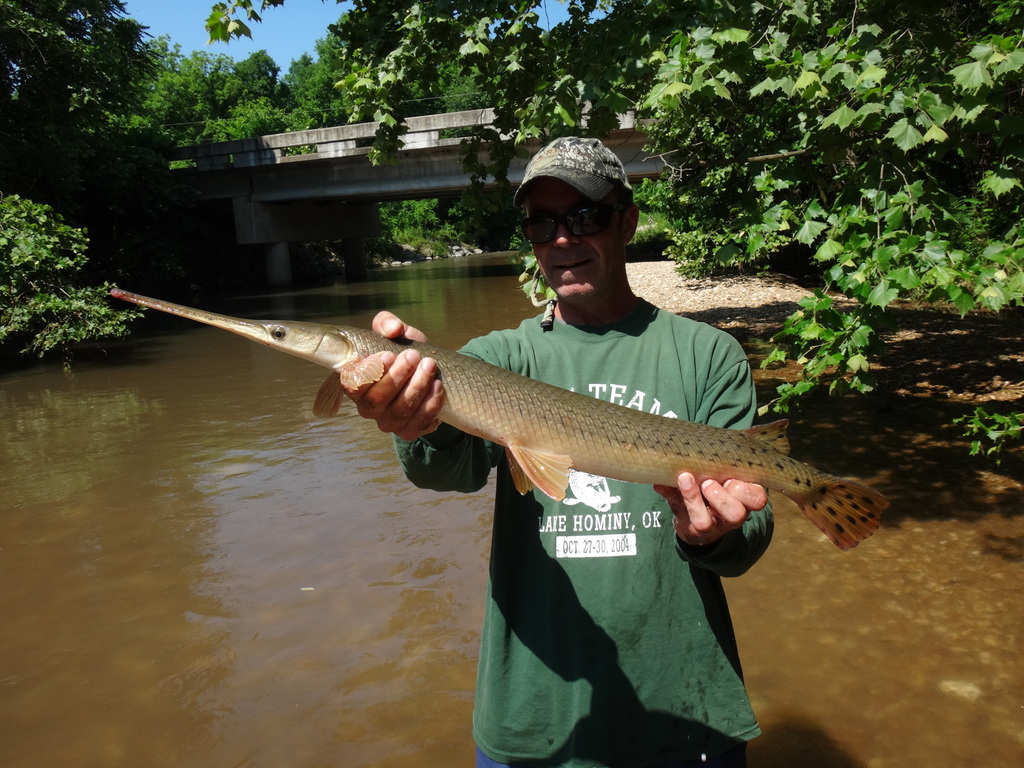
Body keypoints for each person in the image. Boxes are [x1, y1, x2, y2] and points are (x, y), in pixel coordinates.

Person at [342, 137, 774, 768]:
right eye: (543, 223)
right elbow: (449, 472)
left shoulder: (708, 356)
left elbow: (750, 531)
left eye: (585, 217)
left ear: (627, 221)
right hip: (534, 718)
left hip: (687, 712)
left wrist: (712, 535)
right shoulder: (498, 358)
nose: (563, 238)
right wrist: (417, 418)